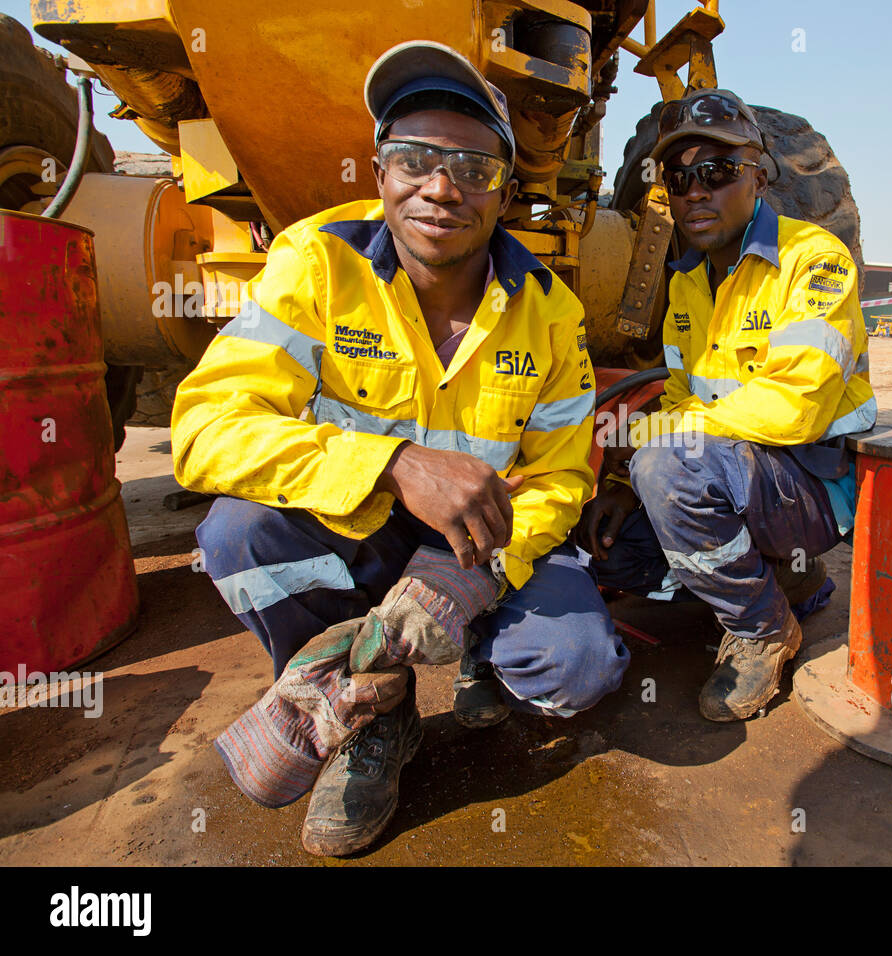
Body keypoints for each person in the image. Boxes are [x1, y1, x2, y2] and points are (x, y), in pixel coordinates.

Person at [172, 41, 629, 856]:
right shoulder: (318, 263)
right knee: (237, 537)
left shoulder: (549, 310)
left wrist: (475, 573)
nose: (442, 187)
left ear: (505, 190)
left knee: (575, 666)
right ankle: (374, 717)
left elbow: (563, 475)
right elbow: (206, 430)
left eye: (473, 168)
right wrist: (390, 462)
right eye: (415, 158)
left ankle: (478, 650)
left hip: (485, 540)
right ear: (379, 170)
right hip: (365, 525)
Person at [582, 88, 876, 723]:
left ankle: (763, 628)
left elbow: (793, 409)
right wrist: (627, 483)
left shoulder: (812, 262)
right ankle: (792, 581)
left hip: (813, 486)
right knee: (610, 546)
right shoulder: (688, 283)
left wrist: (649, 446)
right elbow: (687, 395)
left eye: (716, 172)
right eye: (677, 176)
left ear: (759, 176)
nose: (694, 191)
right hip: (738, 474)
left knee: (666, 464)